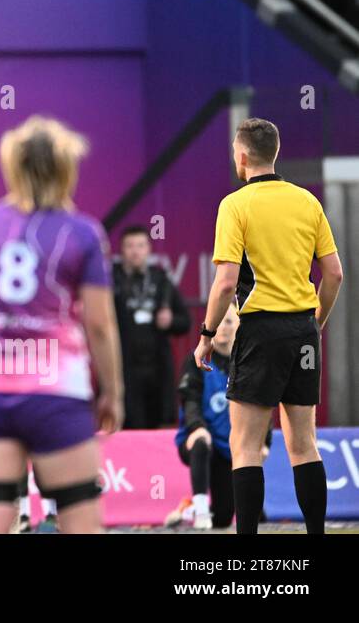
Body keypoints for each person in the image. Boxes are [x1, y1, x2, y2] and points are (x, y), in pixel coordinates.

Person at [0, 116, 124, 534]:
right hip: (56, 383)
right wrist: (112, 390)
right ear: (65, 167)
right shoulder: (82, 232)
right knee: (78, 508)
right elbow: (101, 325)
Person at [195, 117, 343, 535]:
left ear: (241, 157)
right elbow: (333, 274)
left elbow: (225, 282)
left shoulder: (235, 205)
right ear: (275, 153)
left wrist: (207, 337)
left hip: (259, 331)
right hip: (302, 331)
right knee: (304, 444)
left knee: (245, 448)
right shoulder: (306, 202)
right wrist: (316, 323)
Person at [170, 308, 270, 530]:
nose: (223, 327)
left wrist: (265, 441)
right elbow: (190, 400)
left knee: (224, 517)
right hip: (202, 444)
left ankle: (187, 510)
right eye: (219, 322)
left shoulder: (248, 362)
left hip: (233, 450)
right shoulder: (197, 360)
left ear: (239, 326)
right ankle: (200, 508)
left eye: (229, 321)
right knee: (201, 441)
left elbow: (263, 403)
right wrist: (197, 427)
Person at [113, 224, 191, 429]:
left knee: (161, 425)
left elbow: (186, 322)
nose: (135, 251)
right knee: (128, 425)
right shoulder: (112, 280)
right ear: (122, 250)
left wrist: (170, 321)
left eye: (140, 245)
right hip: (125, 368)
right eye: (130, 246)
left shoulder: (161, 280)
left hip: (158, 369)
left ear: (148, 249)